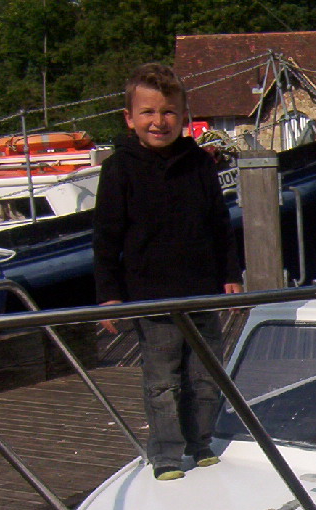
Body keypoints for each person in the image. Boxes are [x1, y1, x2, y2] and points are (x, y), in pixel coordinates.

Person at [93, 63, 243, 481]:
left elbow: (219, 223)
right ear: (130, 119)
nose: (159, 121)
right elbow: (106, 238)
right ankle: (165, 453)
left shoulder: (199, 164)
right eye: (148, 112)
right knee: (163, 382)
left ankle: (201, 442)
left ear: (184, 117)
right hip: (152, 295)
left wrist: (230, 274)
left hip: (201, 290)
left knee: (205, 375)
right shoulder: (119, 169)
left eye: (169, 112)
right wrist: (110, 295)